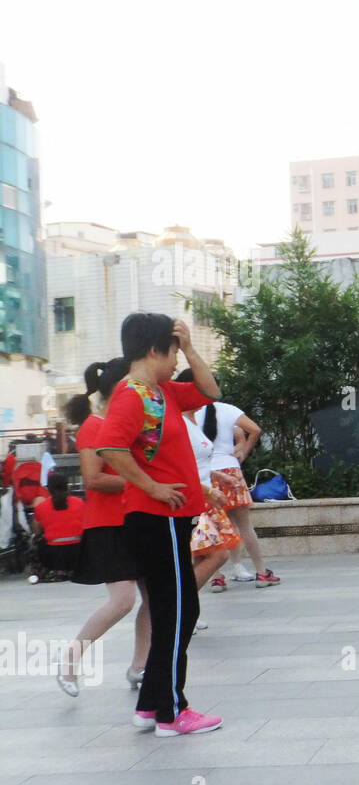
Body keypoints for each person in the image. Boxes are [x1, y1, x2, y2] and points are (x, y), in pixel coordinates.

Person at [97, 313, 223, 738]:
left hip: (171, 520)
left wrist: (189, 347)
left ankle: (151, 706)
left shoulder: (161, 391)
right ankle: (172, 711)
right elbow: (110, 447)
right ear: (154, 350)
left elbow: (211, 390)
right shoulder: (132, 395)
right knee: (179, 609)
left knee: (174, 608)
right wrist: (152, 486)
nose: (176, 363)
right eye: (172, 353)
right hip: (158, 519)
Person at [59, 359, 151, 696]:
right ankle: (69, 660)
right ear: (118, 388)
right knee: (123, 600)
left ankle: (139, 667)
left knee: (152, 598)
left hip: (135, 520)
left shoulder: (127, 426)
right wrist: (143, 482)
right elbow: (93, 479)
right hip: (108, 525)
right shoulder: (94, 427)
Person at [175, 368, 243, 631]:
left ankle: (186, 611)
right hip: (194, 500)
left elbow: (196, 462)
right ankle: (180, 608)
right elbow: (180, 468)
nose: (208, 391)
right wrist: (207, 490)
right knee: (217, 555)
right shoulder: (179, 422)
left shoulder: (191, 420)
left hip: (203, 499)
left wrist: (217, 477)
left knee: (200, 559)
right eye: (203, 385)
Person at [199, 387, 279, 591]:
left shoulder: (190, 413)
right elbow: (255, 429)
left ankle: (217, 577)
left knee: (212, 528)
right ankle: (262, 572)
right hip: (231, 471)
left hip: (206, 475)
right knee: (245, 526)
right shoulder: (228, 410)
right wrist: (243, 451)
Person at [31, 471, 85, 578]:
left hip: (54, 556)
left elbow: (37, 531)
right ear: (67, 487)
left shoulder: (40, 507)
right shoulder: (80, 503)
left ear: (49, 489)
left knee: (35, 539)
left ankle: (43, 571)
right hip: (77, 553)